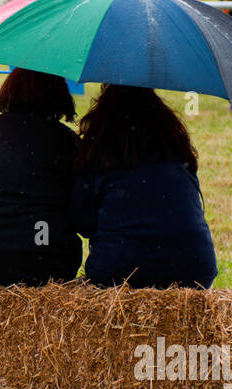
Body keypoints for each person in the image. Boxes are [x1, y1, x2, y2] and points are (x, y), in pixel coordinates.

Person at [72, 85, 217, 289]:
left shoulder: (99, 153)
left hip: (117, 272)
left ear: (103, 114)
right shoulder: (175, 147)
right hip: (194, 270)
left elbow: (82, 222)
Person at [0, 69, 82, 286]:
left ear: (9, 90)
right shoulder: (68, 142)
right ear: (60, 95)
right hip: (50, 262)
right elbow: (82, 216)